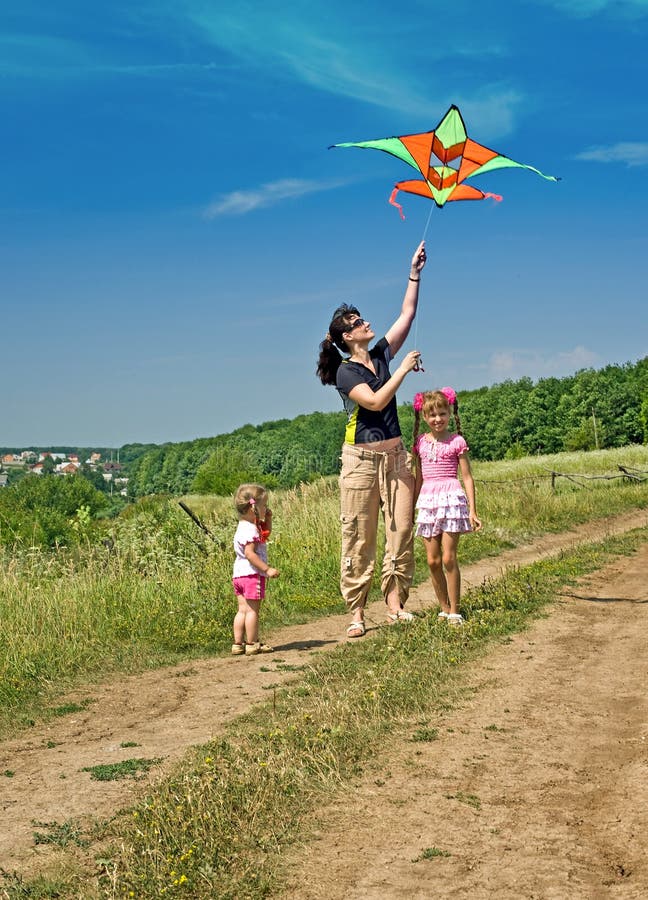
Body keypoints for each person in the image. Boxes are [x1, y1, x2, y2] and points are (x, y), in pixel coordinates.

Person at [316, 241, 427, 638]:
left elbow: (408, 314)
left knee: (400, 530)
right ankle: (357, 613)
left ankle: (395, 605)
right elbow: (378, 400)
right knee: (359, 536)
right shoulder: (347, 373)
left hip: (396, 457)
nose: (364, 322)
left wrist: (413, 272)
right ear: (346, 337)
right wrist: (405, 368)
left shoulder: (380, 353)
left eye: (361, 318)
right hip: (361, 463)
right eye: (356, 321)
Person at [412, 387, 482, 625]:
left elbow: (468, 477)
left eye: (442, 413)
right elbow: (418, 478)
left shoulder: (456, 442)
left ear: (449, 413)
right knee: (432, 560)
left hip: (452, 499)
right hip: (428, 501)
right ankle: (443, 607)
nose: (437, 419)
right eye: (432, 415)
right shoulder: (420, 443)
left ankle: (455, 610)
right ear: (424, 417)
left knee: (449, 558)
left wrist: (472, 510)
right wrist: (413, 507)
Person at [231, 483, 279, 656]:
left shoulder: (243, 526)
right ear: (253, 508)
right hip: (252, 575)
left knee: (242, 610)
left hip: (238, 575)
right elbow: (250, 554)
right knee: (252, 611)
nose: (266, 508)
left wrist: (269, 519)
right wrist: (267, 569)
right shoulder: (251, 530)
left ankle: (238, 644)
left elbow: (265, 534)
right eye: (264, 505)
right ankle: (252, 643)